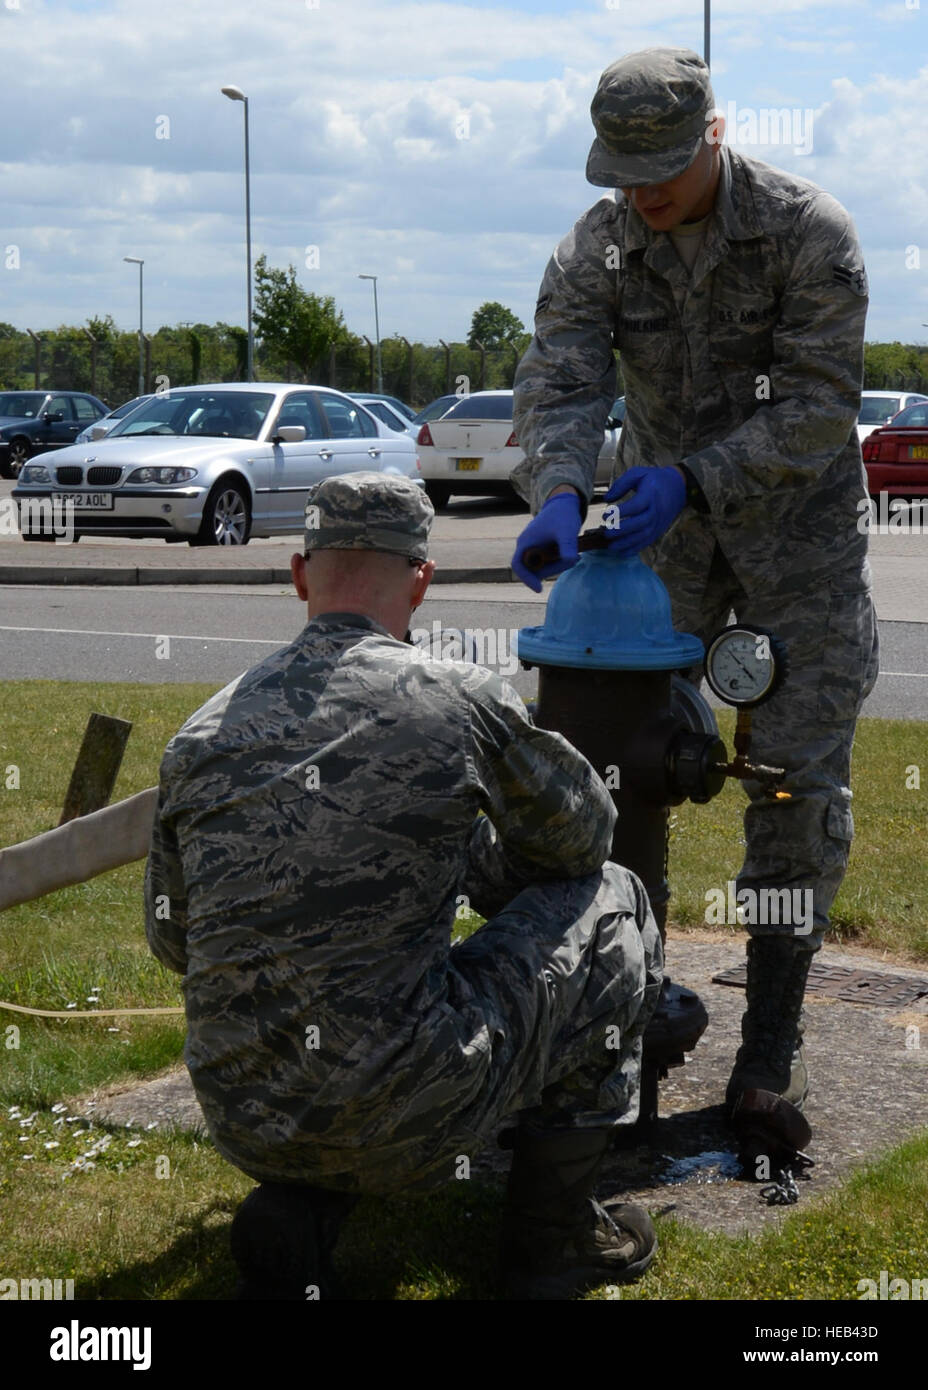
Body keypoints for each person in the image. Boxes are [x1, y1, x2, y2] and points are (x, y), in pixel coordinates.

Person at [145, 471, 662, 1301]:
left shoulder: (201, 732)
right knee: (615, 905)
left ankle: (304, 1207)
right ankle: (554, 1240)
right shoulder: (456, 699)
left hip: (246, 1113)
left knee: (343, 998)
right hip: (412, 1108)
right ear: (422, 580)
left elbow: (173, 940)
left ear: (299, 573)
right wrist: (478, 857)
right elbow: (583, 839)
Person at [510, 48, 879, 1140]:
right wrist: (560, 489)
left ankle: (769, 1042)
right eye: (620, 172)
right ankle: (627, 1009)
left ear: (713, 135)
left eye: (661, 167)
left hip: (796, 546)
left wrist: (697, 476)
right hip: (654, 552)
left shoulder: (810, 232)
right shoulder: (597, 246)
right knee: (618, 771)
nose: (641, 192)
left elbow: (819, 405)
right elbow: (563, 378)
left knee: (789, 787)